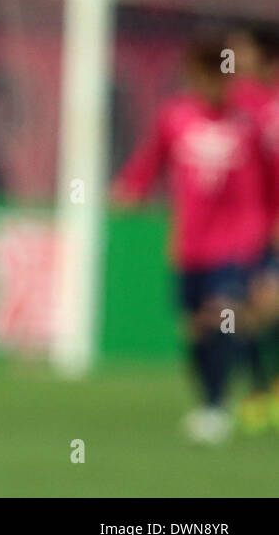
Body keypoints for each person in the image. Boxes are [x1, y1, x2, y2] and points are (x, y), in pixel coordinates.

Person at [113, 35, 271, 444]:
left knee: (224, 316)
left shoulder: (251, 120)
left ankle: (219, 406)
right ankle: (222, 396)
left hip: (239, 241)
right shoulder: (176, 117)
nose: (213, 85)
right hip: (190, 245)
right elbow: (152, 160)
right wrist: (132, 188)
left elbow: (273, 176)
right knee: (195, 331)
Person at [224, 24, 279, 431]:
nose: (234, 58)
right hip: (246, 230)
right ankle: (262, 388)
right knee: (244, 312)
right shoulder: (237, 104)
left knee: (267, 305)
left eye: (241, 49)